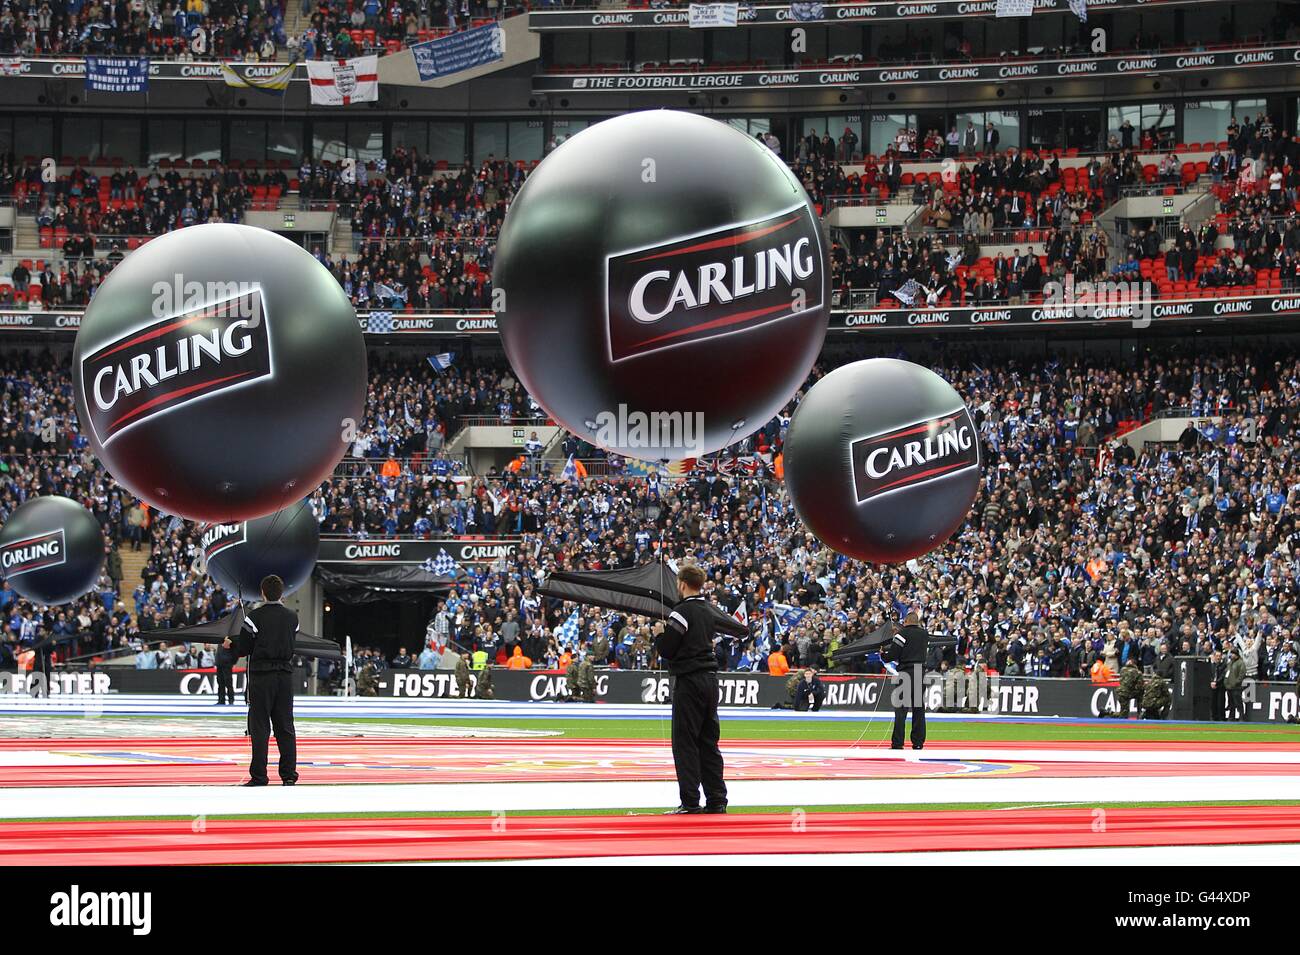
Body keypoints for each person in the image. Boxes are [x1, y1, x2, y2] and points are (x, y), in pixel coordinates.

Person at [651, 562, 727, 814]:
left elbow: (667, 649)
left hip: (689, 680)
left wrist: (659, 634)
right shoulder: (709, 610)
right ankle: (717, 800)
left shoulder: (681, 612)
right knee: (709, 742)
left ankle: (691, 802)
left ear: (682, 584)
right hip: (710, 679)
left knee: (685, 743)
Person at [223, 575, 300, 787]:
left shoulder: (254, 617)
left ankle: (259, 776)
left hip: (262, 676)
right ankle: (289, 774)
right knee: (285, 726)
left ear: (263, 593)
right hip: (284, 676)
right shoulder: (292, 617)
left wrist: (232, 643)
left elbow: (245, 648)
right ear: (282, 593)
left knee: (259, 727)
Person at [883, 611, 929, 750]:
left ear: (906, 621)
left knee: (901, 709)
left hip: (906, 672)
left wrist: (883, 654)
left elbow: (893, 654)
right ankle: (918, 742)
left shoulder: (901, 634)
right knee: (918, 709)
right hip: (920, 672)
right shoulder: (924, 634)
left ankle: (898, 743)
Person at [1224, 646, 1247, 721]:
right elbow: (1226, 673)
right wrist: (1226, 683)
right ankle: (1231, 717)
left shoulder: (1241, 663)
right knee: (1231, 703)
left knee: (1238, 703)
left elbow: (1241, 674)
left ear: (1236, 654)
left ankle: (1241, 717)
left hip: (1237, 687)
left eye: (1233, 654)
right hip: (1229, 687)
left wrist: (1236, 682)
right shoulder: (1230, 663)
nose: (1231, 655)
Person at [215, 631, 237, 705]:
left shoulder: (231, 639)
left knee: (228, 683)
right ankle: (221, 700)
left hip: (227, 665)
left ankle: (231, 700)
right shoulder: (220, 640)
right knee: (220, 683)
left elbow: (235, 652)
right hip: (219, 664)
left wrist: (232, 662)